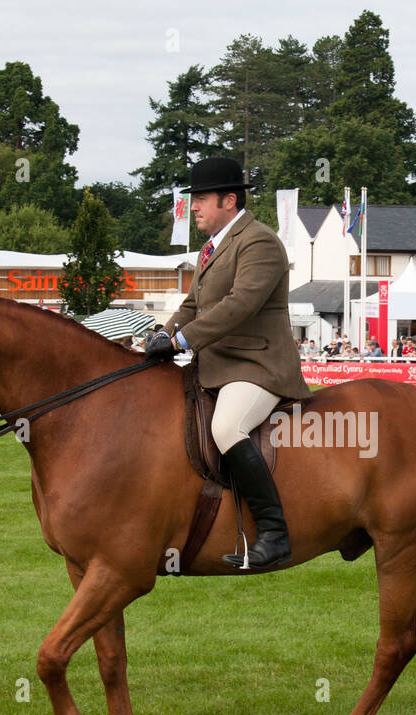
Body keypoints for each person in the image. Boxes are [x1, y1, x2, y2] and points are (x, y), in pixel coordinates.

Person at [148, 156, 310, 570]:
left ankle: (274, 535)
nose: (194, 206)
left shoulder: (260, 241)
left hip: (257, 366)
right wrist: (165, 334)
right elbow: (192, 303)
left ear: (229, 200)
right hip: (216, 365)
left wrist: (184, 339)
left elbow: (240, 305)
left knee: (226, 427)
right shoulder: (212, 247)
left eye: (201, 198)